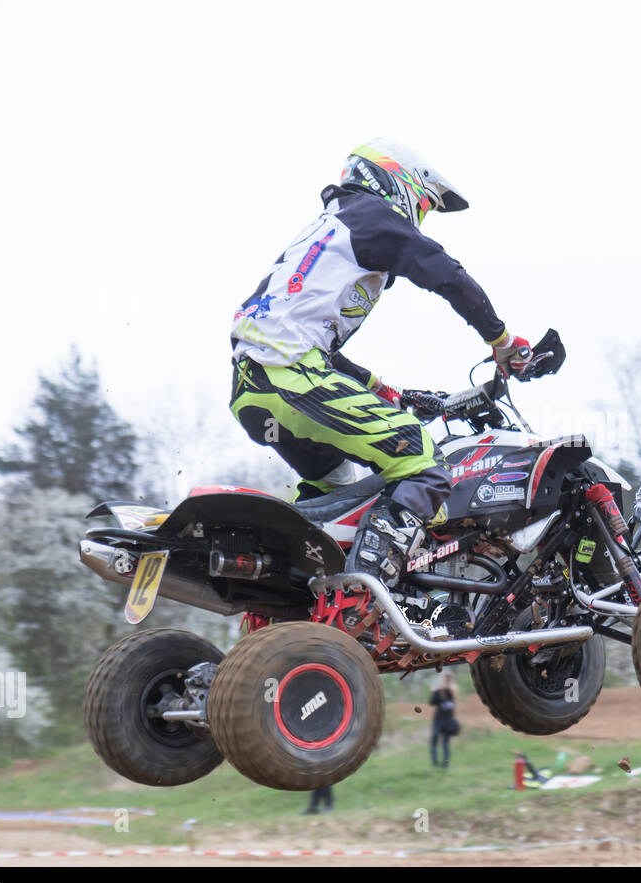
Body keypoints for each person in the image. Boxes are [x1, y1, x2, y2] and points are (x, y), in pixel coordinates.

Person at [229, 138, 535, 587]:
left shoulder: (333, 227)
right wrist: (501, 340)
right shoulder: (371, 217)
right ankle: (368, 586)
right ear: (399, 183)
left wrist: (386, 390)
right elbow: (447, 274)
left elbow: (311, 340)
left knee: (337, 488)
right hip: (290, 377)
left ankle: (293, 588)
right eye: (424, 208)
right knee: (421, 459)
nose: (421, 220)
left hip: (254, 390)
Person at [428, 673, 459, 769]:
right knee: (435, 742)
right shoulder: (438, 692)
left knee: (445, 745)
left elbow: (454, 695)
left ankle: (445, 764)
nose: (442, 682)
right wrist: (434, 692)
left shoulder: (452, 691)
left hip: (447, 721)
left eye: (444, 680)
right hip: (438, 720)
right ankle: (435, 764)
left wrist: (437, 690)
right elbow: (432, 702)